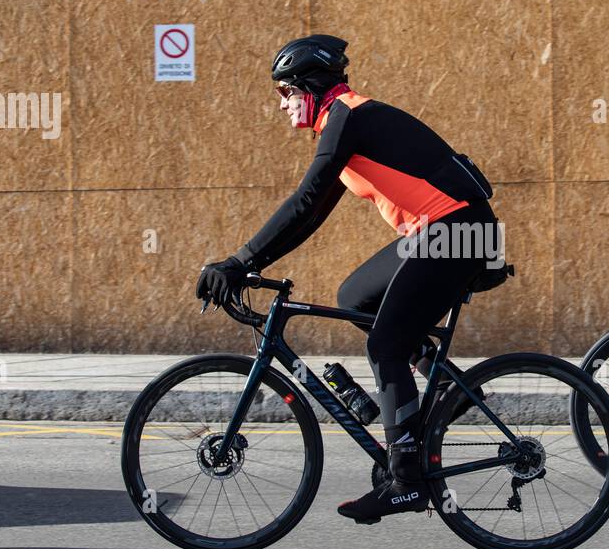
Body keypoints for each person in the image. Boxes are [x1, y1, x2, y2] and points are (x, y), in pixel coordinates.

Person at [195, 35, 498, 522]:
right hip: (446, 231)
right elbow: (310, 215)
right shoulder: (342, 124)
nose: (282, 104)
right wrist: (251, 263)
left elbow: (303, 200)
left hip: (459, 232)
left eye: (285, 91)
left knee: (385, 347)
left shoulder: (348, 117)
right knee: (356, 296)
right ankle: (454, 391)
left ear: (311, 86)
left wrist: (238, 261)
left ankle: (405, 482)